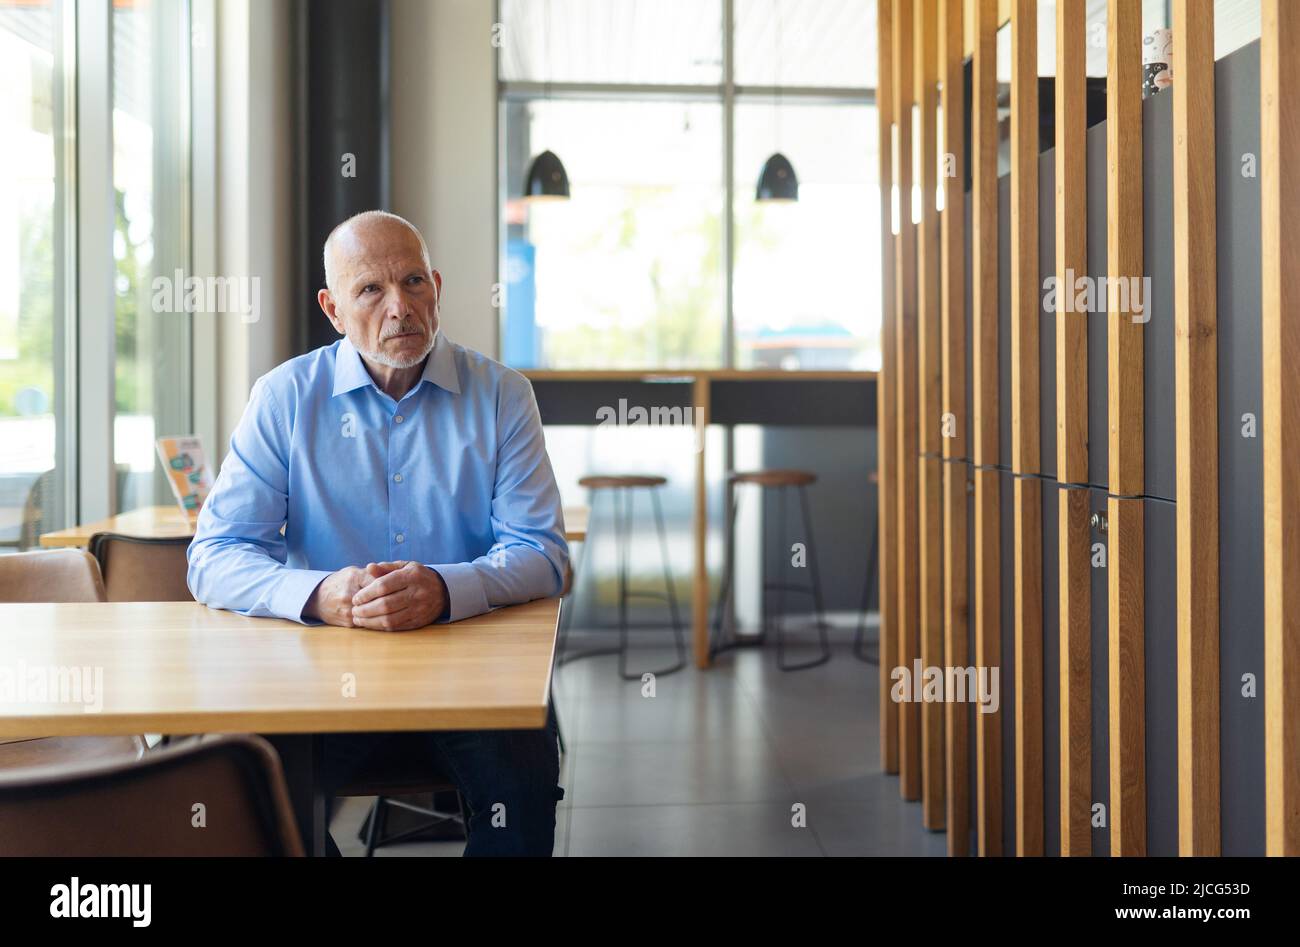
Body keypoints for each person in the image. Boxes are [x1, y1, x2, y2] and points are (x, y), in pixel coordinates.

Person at [187, 210, 569, 856]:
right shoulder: (283, 399)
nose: (400, 307)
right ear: (333, 308)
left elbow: (545, 554)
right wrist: (319, 594)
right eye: (371, 290)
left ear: (438, 289)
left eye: (414, 282)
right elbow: (213, 555)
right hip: (323, 677)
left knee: (523, 782)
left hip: (469, 674)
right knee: (251, 784)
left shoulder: (504, 395)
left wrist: (446, 590)